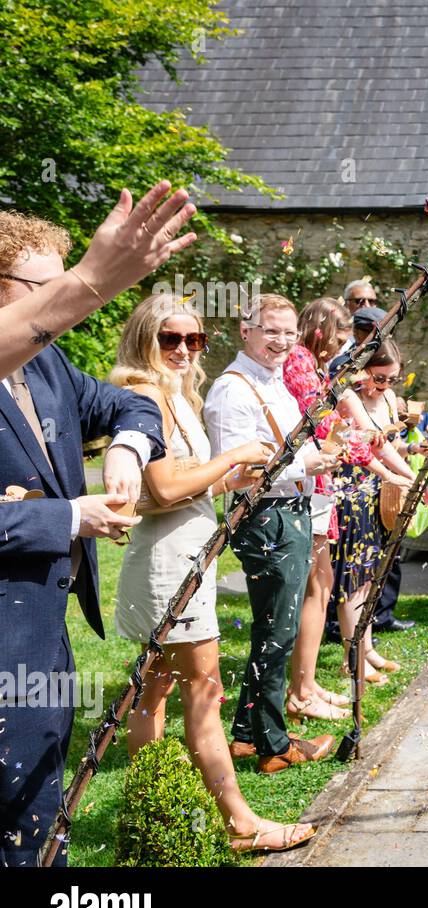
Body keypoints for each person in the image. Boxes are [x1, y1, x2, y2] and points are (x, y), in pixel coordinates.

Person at [112, 293, 314, 852]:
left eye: (193, 339)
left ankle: (148, 818)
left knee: (154, 692)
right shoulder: (144, 396)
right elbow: (162, 488)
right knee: (204, 691)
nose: (183, 349)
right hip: (167, 562)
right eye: (169, 339)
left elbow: (179, 489)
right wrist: (233, 457)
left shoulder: (176, 396)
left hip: (183, 553)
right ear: (144, 340)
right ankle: (239, 824)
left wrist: (228, 482)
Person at [0, 211, 164, 865]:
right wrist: (71, 519)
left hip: (46, 639)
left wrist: (125, 448)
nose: (60, 308)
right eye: (42, 291)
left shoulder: (48, 365)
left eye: (64, 286)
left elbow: (133, 404)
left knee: (43, 814)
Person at [204, 294, 341, 774]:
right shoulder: (233, 389)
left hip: (291, 510)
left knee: (273, 627)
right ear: (247, 332)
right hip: (267, 516)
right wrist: (307, 462)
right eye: (271, 331)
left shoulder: (274, 381)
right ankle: (274, 745)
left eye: (288, 332)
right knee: (277, 633)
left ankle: (245, 733)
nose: (282, 341)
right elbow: (239, 465)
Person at [281, 297, 373, 721]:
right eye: (338, 335)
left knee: (323, 582)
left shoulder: (312, 364)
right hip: (306, 484)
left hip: (319, 484)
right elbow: (319, 419)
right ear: (320, 328)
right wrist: (364, 444)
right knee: (316, 588)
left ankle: (308, 680)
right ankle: (300, 689)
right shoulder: (298, 362)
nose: (341, 345)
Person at [0, 182, 197, 380]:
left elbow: (114, 402)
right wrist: (94, 278)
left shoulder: (48, 362)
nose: (183, 350)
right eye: (48, 287)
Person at [332, 339, 418, 686]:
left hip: (378, 488)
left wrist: (409, 457)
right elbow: (368, 444)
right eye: (380, 378)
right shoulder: (346, 395)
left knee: (370, 573)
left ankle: (366, 647)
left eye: (393, 380)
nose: (385, 386)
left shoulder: (383, 398)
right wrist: (410, 477)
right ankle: (351, 657)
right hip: (352, 487)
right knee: (353, 575)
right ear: (361, 370)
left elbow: (389, 444)